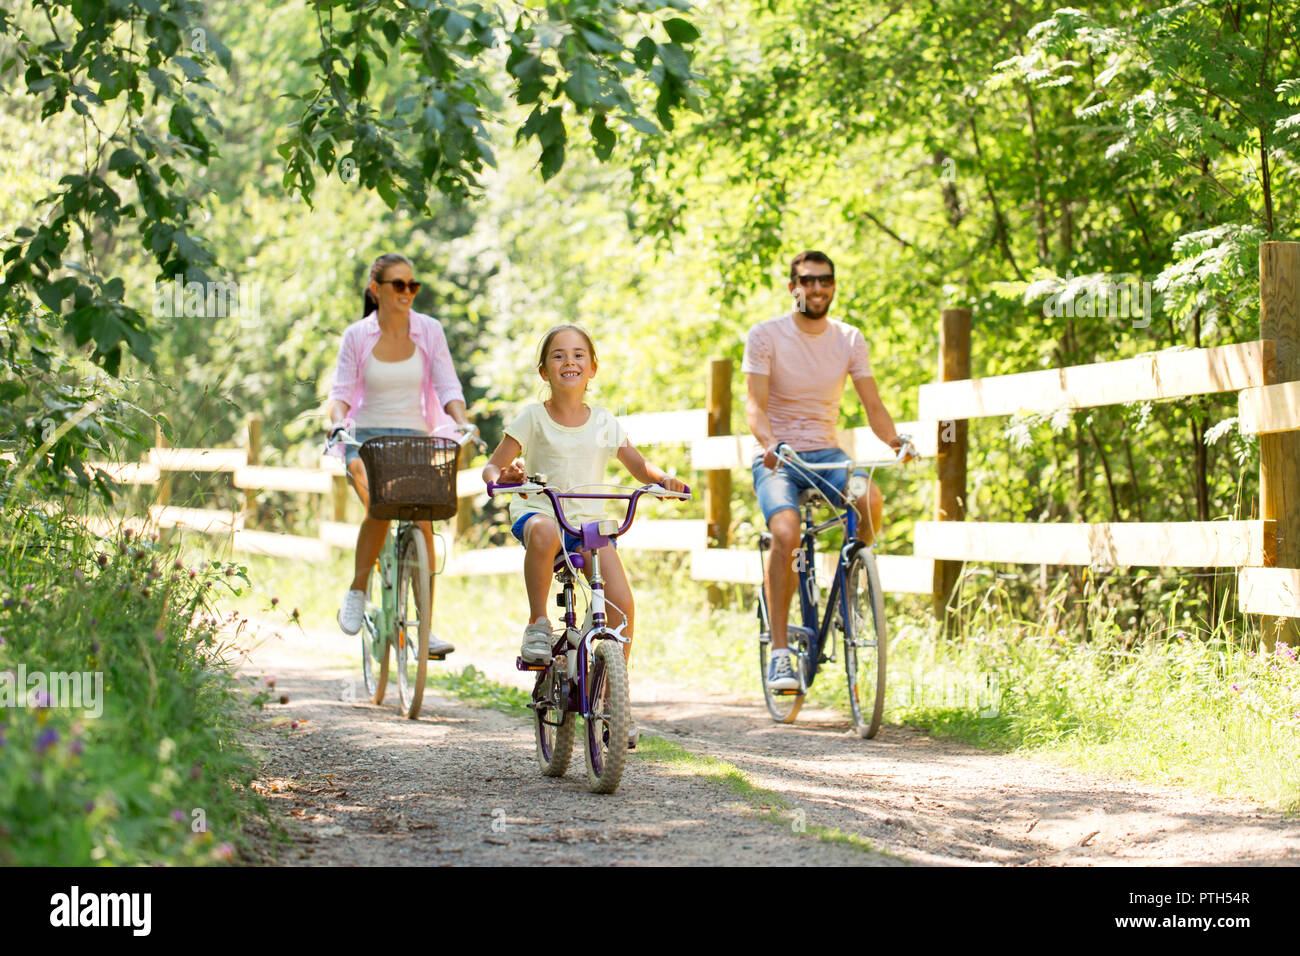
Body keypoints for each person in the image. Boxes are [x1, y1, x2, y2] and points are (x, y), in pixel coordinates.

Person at [481, 324, 687, 747]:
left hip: (587, 524)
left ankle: (612, 701)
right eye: (558, 356)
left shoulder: (605, 422)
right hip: (543, 511)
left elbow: (637, 465)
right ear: (544, 371)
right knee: (542, 532)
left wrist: (663, 480)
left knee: (621, 607)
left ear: (592, 368)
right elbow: (494, 465)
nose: (569, 362)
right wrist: (500, 477)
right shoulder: (532, 418)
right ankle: (538, 622)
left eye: (578, 355)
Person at [744, 250, 909, 692]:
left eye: (825, 281)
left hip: (828, 457)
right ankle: (780, 652)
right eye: (808, 281)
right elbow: (754, 407)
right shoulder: (765, 336)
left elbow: (873, 406)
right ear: (792, 286)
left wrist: (896, 440)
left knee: (869, 498)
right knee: (786, 533)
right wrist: (769, 444)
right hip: (779, 458)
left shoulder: (849, 338)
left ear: (833, 286)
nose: (817, 289)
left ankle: (850, 582)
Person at [326, 253, 474, 657]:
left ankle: (424, 627)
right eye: (398, 285)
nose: (407, 292)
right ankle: (358, 590)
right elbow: (340, 392)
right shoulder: (357, 335)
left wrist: (460, 422)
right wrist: (338, 422)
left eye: (413, 285)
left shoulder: (430, 330)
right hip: (366, 440)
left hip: (414, 439)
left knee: (423, 519)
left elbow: (447, 385)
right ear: (376, 290)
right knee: (380, 504)